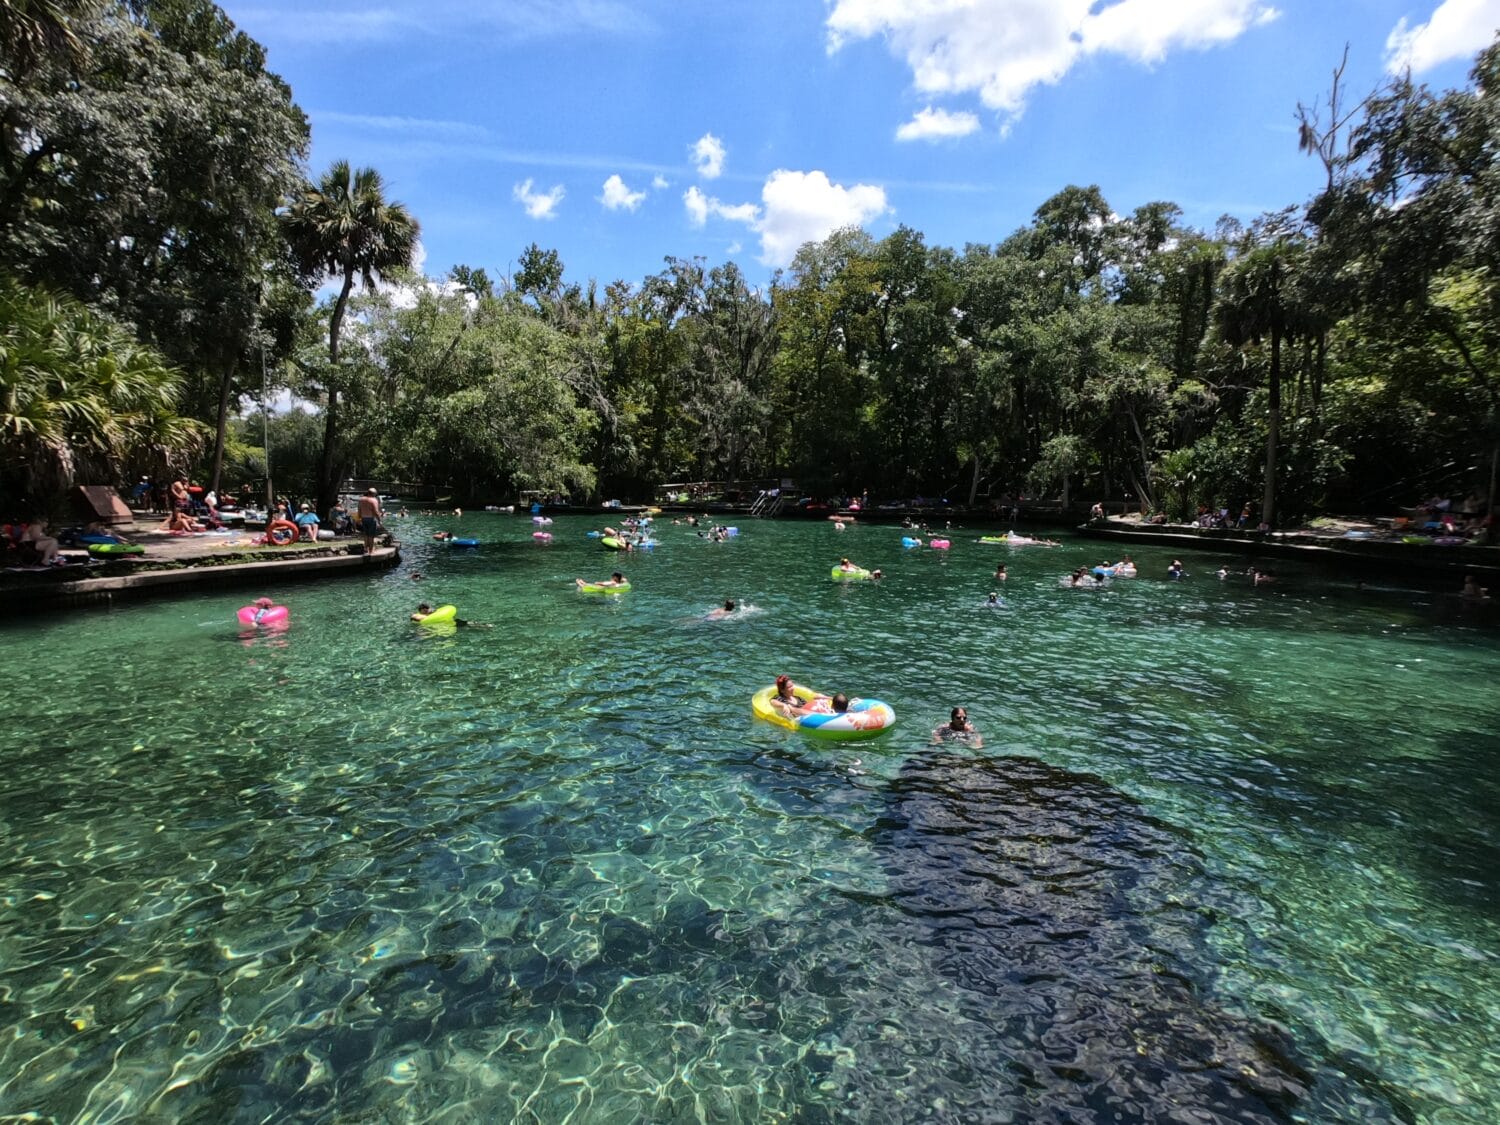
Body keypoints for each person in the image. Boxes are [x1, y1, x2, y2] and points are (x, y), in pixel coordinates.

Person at [357, 488, 384, 555]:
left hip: (363, 518)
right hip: (371, 519)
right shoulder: (374, 500)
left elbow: (359, 509)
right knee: (371, 536)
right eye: (375, 494)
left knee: (366, 535)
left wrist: (359, 519)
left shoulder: (361, 499)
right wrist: (379, 520)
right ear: (374, 494)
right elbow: (376, 511)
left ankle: (365, 549)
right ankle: (371, 551)